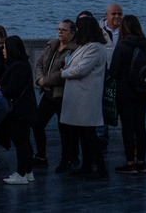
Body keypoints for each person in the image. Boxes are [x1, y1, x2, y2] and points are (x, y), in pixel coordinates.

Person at [59, 15, 109, 179]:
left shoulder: (94, 47)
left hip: (85, 96)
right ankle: (87, 165)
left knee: (89, 134)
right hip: (81, 96)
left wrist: (64, 73)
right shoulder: (87, 46)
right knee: (84, 133)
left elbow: (81, 69)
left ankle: (100, 169)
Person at [109, 14, 146, 174]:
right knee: (140, 126)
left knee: (128, 127)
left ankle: (130, 163)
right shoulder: (145, 45)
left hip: (125, 92)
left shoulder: (122, 47)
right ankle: (141, 162)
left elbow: (113, 72)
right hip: (142, 91)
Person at [0, 36, 39, 184]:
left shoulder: (18, 66)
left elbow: (12, 89)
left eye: (5, 48)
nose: (3, 51)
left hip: (20, 111)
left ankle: (21, 174)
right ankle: (27, 172)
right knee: (25, 141)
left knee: (21, 142)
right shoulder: (22, 65)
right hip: (26, 109)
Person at [33, 19, 75, 169]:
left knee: (64, 128)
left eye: (64, 30)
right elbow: (39, 63)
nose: (60, 32)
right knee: (37, 124)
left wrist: (46, 81)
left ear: (72, 33)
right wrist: (39, 79)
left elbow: (64, 73)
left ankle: (67, 159)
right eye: (59, 29)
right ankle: (41, 156)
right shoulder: (52, 45)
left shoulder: (73, 50)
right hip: (48, 93)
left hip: (62, 94)